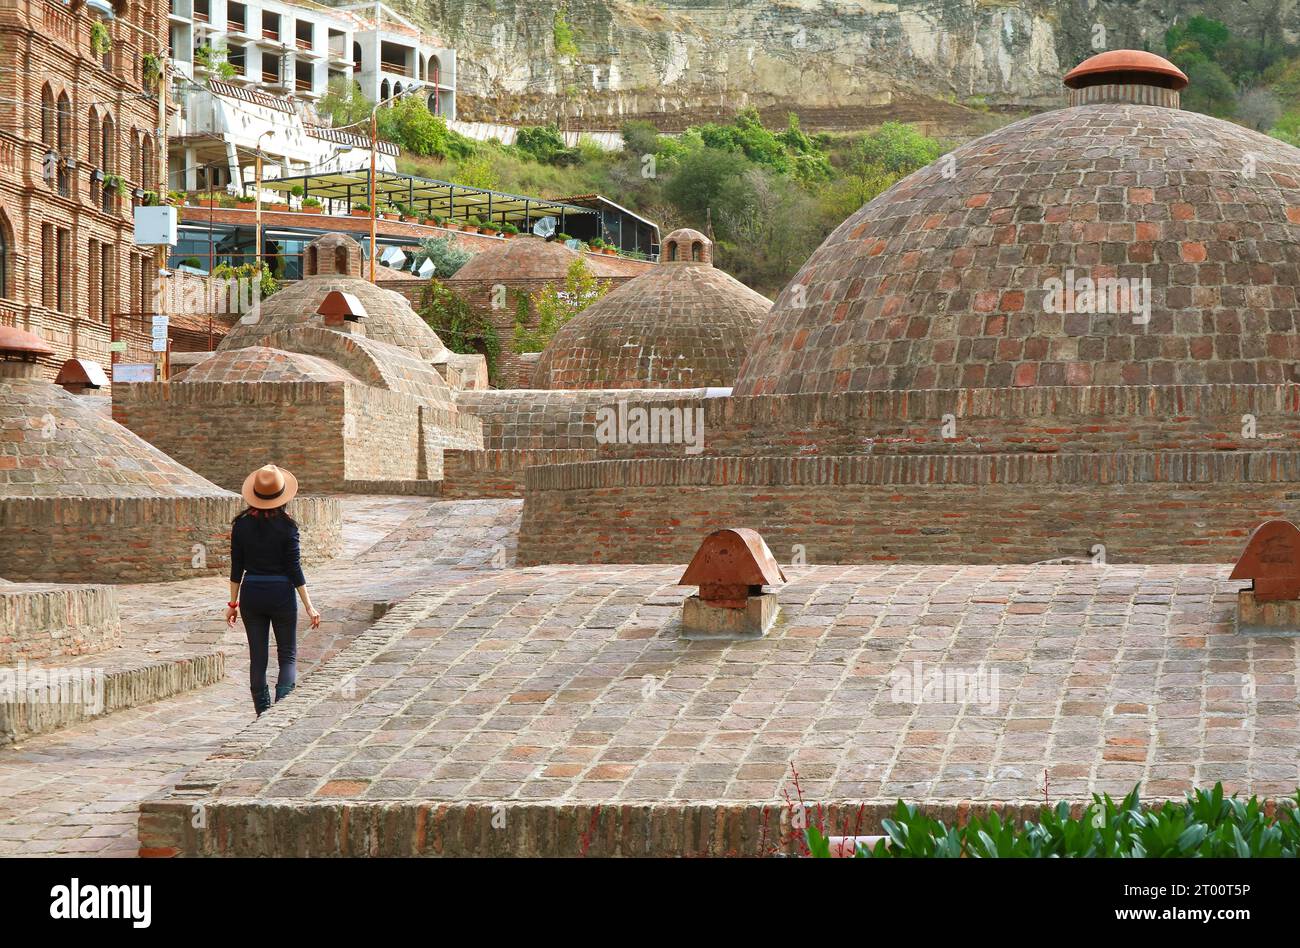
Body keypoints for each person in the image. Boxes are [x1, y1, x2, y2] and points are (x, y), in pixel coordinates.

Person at [225, 464, 321, 716]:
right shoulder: (288, 527)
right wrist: (309, 606)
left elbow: (236, 568)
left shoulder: (241, 525)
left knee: (258, 658)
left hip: (252, 592)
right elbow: (295, 569)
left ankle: (262, 713)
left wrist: (232, 604)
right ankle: (280, 713)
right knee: (287, 655)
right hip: (281, 593)